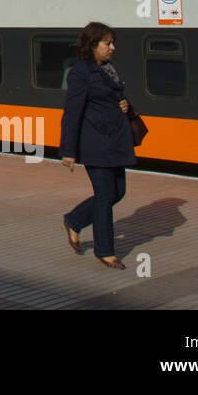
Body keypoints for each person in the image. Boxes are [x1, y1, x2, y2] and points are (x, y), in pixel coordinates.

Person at [60, 21, 137, 270]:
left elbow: (116, 99)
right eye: (108, 43)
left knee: (118, 192)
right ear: (93, 45)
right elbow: (72, 112)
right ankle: (105, 251)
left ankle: (73, 220)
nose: (112, 47)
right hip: (95, 143)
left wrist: (127, 107)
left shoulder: (109, 70)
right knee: (105, 196)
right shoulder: (80, 72)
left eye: (113, 42)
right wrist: (68, 151)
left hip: (115, 140)